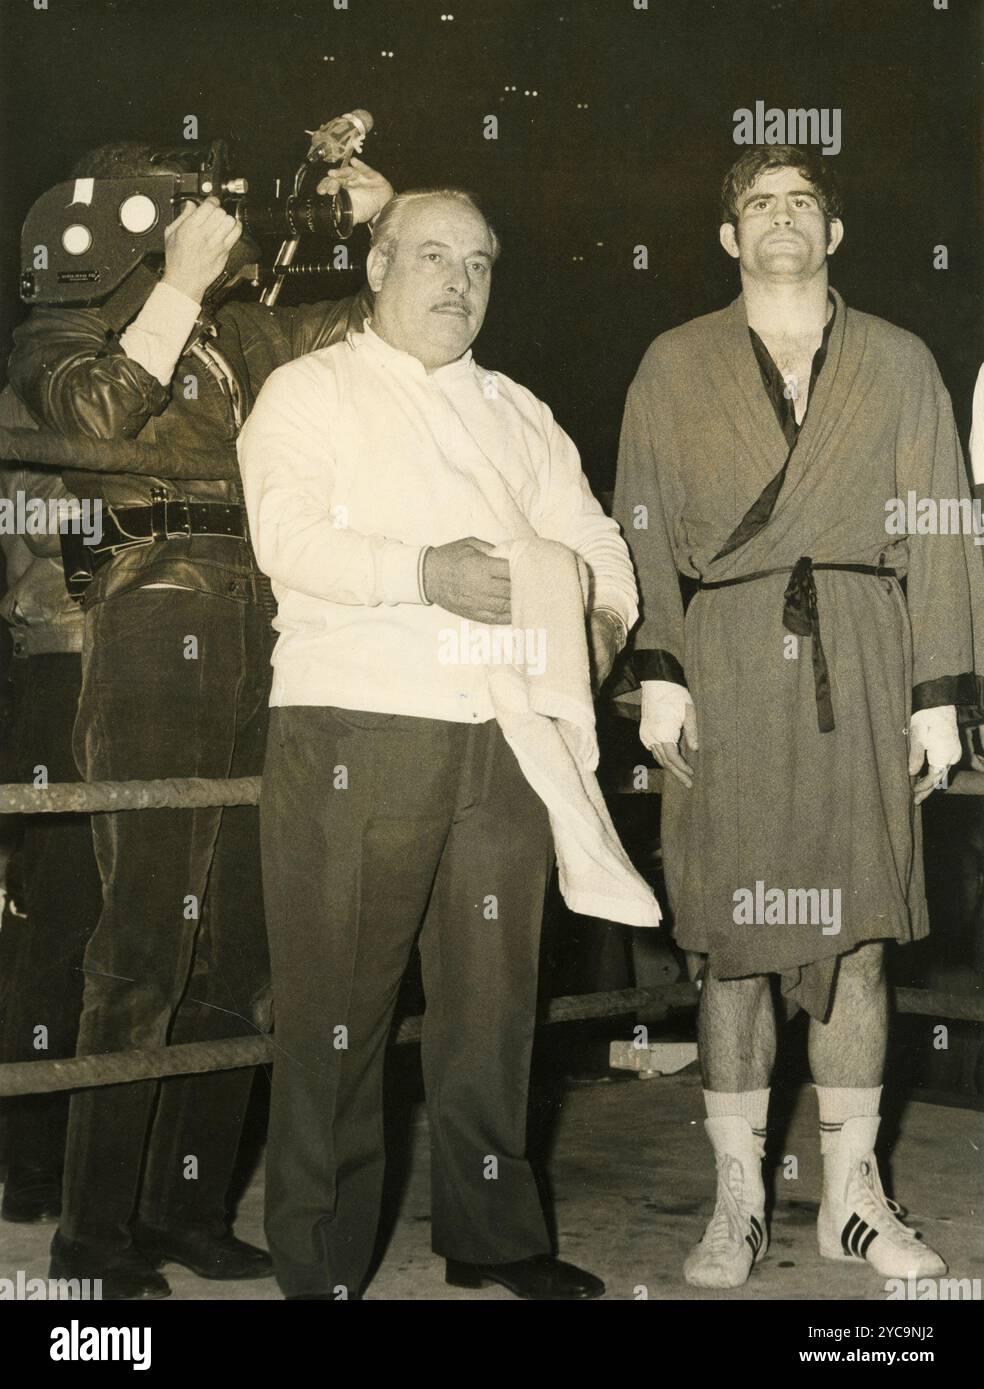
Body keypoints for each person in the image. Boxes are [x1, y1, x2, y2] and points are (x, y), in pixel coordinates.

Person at [5, 140, 393, 1298]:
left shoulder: (232, 345)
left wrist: (378, 227)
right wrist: (176, 288)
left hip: (262, 617)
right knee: (139, 935)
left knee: (243, 937)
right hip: (150, 614)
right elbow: (101, 419)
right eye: (185, 216)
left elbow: (365, 327)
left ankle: (184, 1205)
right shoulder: (56, 342)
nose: (214, 228)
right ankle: (94, 1235)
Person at [237, 188, 640, 1300]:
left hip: (506, 732)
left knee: (491, 1006)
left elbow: (595, 535)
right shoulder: (307, 389)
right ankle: (317, 1264)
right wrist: (429, 572)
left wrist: (602, 621)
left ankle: (493, 1237)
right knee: (335, 1010)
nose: (456, 281)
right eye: (429, 255)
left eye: (478, 261)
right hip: (355, 728)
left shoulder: (519, 409)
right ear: (374, 268)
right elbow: (288, 537)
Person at [613, 145, 984, 1289]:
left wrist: (939, 696)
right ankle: (738, 1198)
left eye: (803, 204)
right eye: (758, 206)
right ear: (730, 238)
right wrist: (660, 666)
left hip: (866, 661)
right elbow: (639, 512)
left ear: (834, 232)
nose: (781, 221)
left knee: (861, 937)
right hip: (725, 661)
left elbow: (939, 531)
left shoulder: (901, 360)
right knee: (729, 941)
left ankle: (852, 1199)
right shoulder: (673, 363)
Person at [0, 435, 101, 1225]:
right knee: (62, 912)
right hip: (68, 662)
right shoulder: (43, 372)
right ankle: (33, 1158)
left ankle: (116, 1158)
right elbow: (40, 520)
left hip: (168, 664)